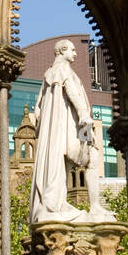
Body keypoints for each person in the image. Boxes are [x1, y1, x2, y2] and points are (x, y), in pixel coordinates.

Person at [29, 40, 112, 226]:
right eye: (72, 50)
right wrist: (84, 115)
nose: (75, 54)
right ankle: (93, 207)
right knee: (92, 158)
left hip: (58, 131)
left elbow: (39, 108)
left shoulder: (48, 73)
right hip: (68, 127)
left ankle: (59, 202)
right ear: (62, 50)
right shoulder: (64, 70)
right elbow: (73, 93)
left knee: (63, 164)